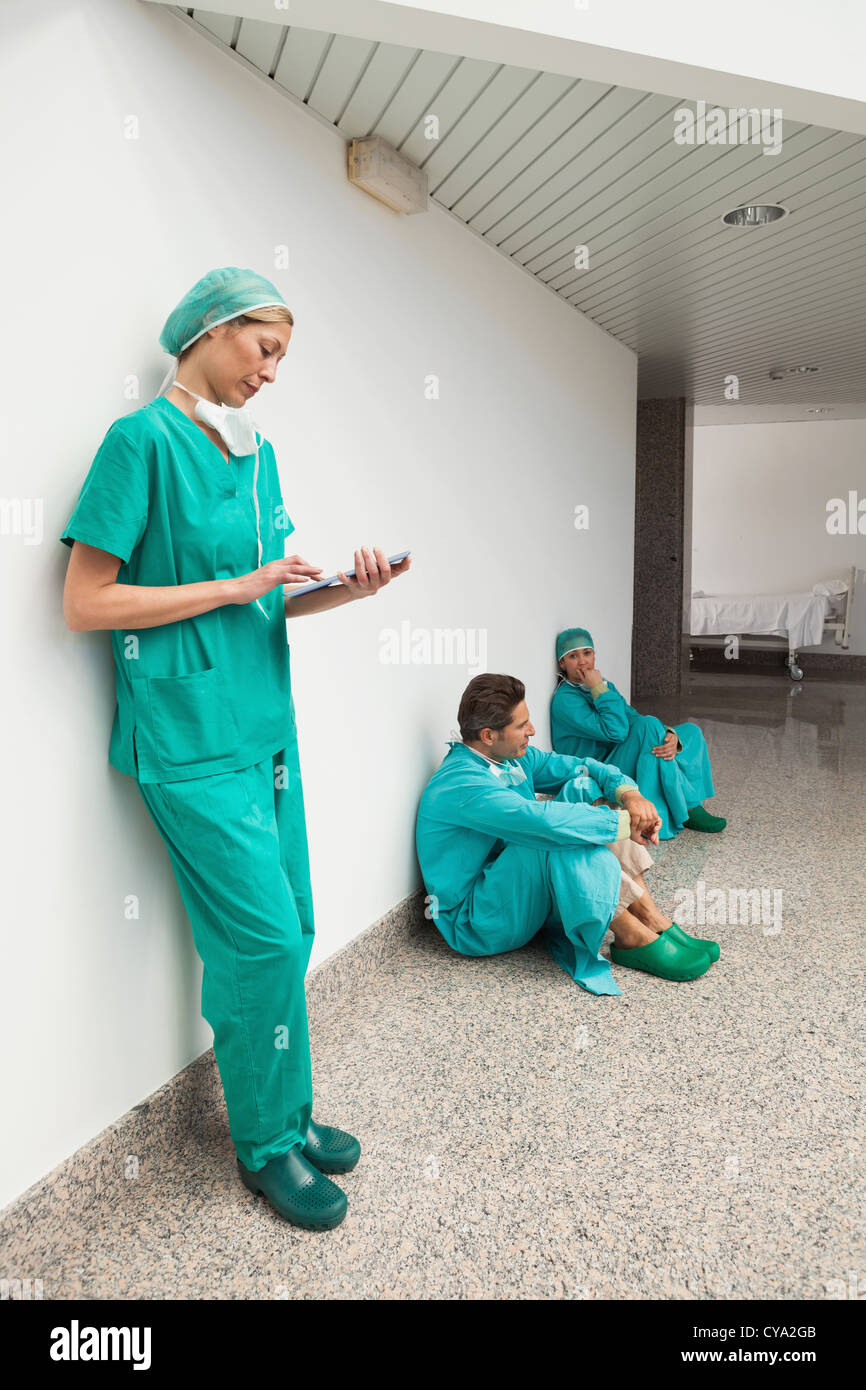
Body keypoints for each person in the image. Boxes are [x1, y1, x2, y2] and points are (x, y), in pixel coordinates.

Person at [60, 266, 411, 1232]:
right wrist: (230, 587)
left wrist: (350, 589)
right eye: (266, 349)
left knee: (290, 930)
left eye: (283, 359)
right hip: (186, 742)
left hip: (264, 730)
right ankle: (263, 1146)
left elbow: (268, 592)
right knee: (257, 943)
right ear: (211, 331)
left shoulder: (259, 456)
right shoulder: (140, 445)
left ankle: (288, 1115)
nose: (272, 372)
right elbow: (86, 601)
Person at [415, 675, 719, 996]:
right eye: (522, 726)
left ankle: (653, 919)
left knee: (584, 787)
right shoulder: (462, 783)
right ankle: (631, 935)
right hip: (477, 920)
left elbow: (583, 767)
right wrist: (622, 824)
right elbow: (538, 821)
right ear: (489, 735)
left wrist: (629, 794)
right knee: (554, 832)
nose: (532, 731)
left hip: (510, 888)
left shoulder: (507, 758)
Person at [550, 628, 725, 841]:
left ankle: (684, 799)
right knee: (649, 727)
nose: (582, 662)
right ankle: (687, 807)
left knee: (690, 732)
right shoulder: (565, 700)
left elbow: (632, 717)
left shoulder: (603, 685)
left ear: (594, 655)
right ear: (562, 663)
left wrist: (670, 735)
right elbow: (617, 731)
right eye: (573, 656)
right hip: (599, 767)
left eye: (587, 653)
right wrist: (598, 689)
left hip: (620, 752)